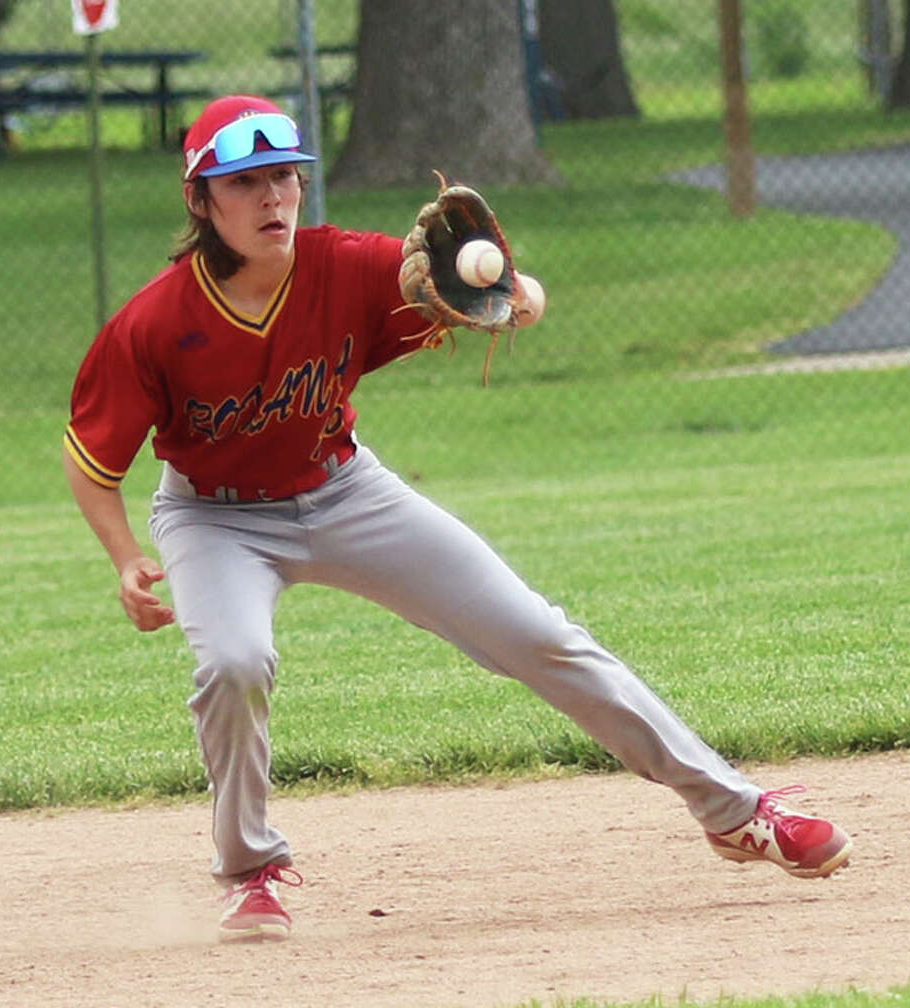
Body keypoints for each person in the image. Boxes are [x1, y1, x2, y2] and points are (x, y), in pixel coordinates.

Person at [62, 94, 853, 944]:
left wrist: (513, 295)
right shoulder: (154, 322)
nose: (274, 199)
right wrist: (124, 559)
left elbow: (506, 299)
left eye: (286, 177)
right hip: (215, 520)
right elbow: (90, 461)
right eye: (246, 182)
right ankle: (251, 870)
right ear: (201, 200)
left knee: (535, 632)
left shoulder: (347, 266)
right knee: (234, 661)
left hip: (344, 491)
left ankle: (735, 812)